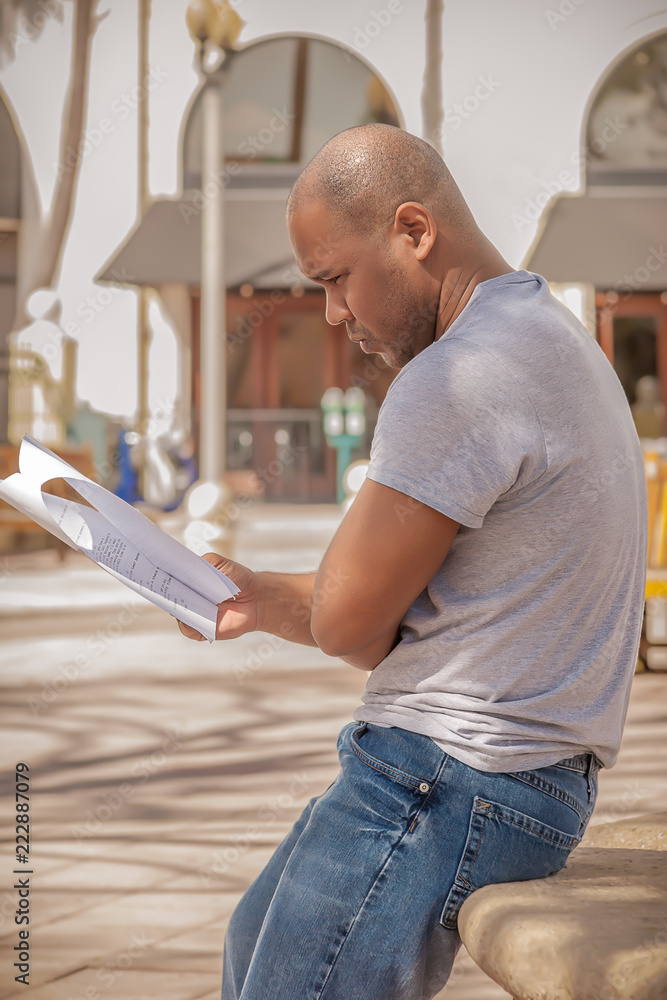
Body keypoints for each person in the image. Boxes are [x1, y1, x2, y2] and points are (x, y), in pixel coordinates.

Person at [178, 124, 647, 1000]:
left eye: (334, 280)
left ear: (413, 230)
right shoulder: (551, 337)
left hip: (446, 779)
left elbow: (355, 627)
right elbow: (451, 594)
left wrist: (319, 610)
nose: (332, 314)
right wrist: (262, 597)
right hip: (524, 781)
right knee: (253, 939)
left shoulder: (454, 377)